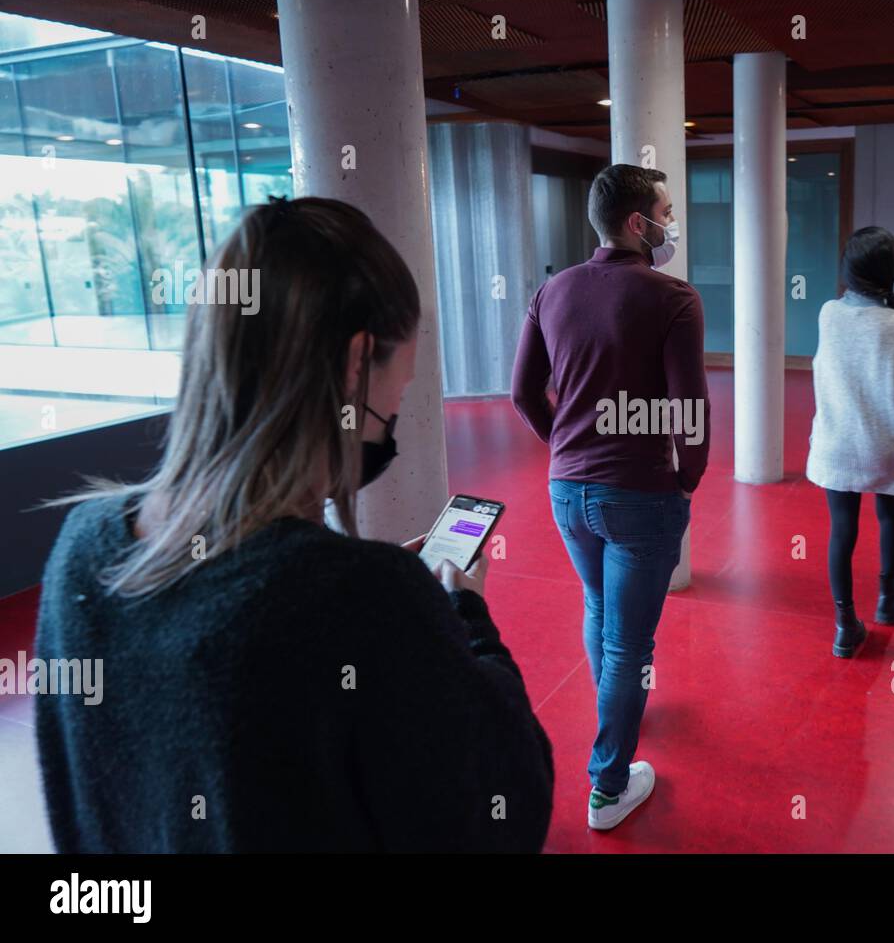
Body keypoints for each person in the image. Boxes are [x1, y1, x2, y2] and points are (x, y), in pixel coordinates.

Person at [35, 197, 554, 851]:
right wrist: (463, 616)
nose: (395, 415)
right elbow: (506, 814)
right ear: (356, 362)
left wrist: (381, 603)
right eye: (400, 389)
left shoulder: (80, 547)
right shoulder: (359, 597)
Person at [511, 163, 709, 831]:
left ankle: (616, 713)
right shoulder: (673, 297)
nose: (670, 224)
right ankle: (608, 787)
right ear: (636, 222)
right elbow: (689, 408)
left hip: (567, 492)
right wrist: (687, 477)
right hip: (640, 496)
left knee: (599, 608)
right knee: (629, 646)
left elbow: (522, 392)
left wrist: (562, 447)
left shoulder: (553, 290)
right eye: (665, 213)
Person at [806, 227, 894, 658]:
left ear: (848, 270)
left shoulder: (828, 314)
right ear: (891, 271)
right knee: (890, 517)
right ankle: (888, 599)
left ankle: (845, 625)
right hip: (886, 446)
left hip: (836, 445)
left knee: (842, 530)